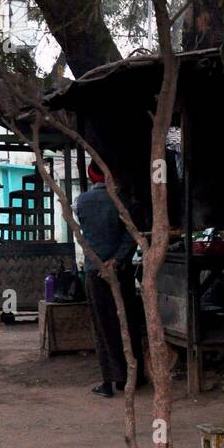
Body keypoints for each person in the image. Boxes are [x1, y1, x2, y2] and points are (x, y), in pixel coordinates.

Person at [75, 166, 146, 397]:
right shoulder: (122, 201)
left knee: (102, 326)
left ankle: (109, 380)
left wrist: (102, 263)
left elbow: (86, 234)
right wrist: (115, 261)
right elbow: (131, 237)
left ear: (90, 176)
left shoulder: (82, 201)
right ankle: (133, 377)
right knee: (127, 322)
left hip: (94, 271)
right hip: (119, 271)